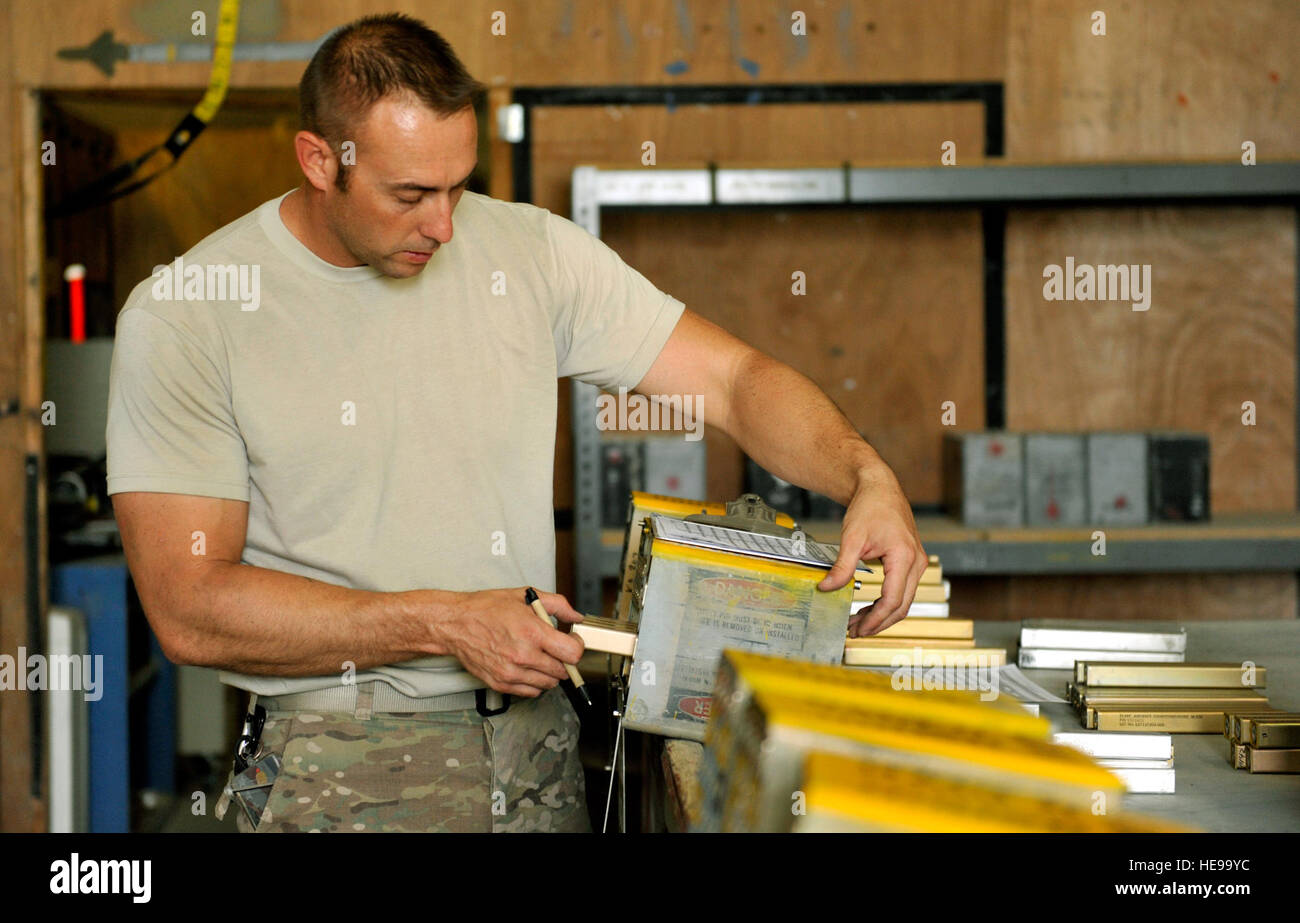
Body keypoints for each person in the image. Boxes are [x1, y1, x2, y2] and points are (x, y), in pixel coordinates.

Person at [106, 13, 925, 833]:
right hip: (340, 764)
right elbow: (190, 606)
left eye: (459, 185)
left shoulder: (533, 254)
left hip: (538, 748)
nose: (445, 226)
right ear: (321, 160)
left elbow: (735, 380)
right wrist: (443, 622)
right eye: (410, 194)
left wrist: (866, 474)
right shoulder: (190, 315)